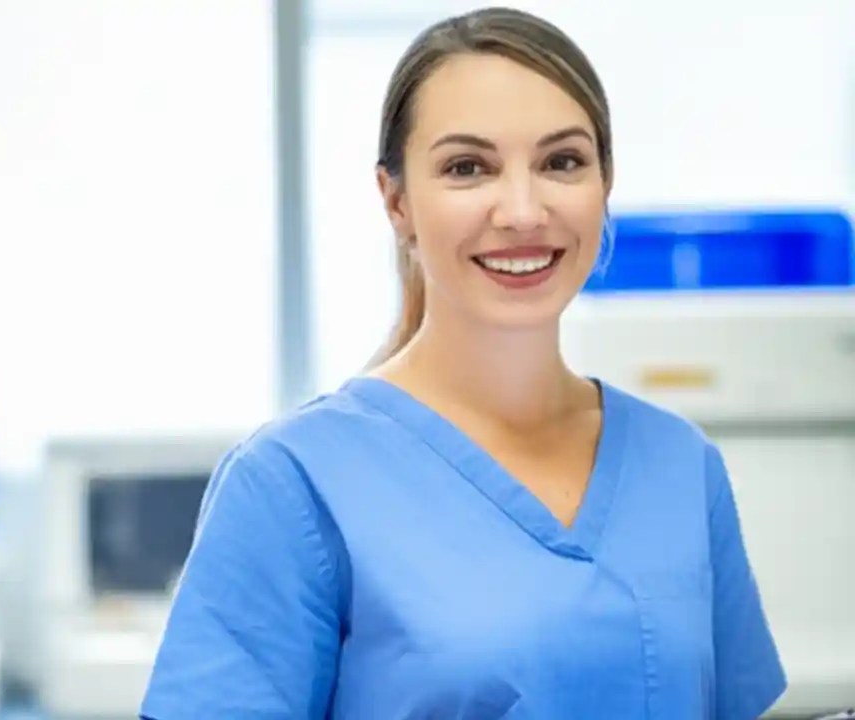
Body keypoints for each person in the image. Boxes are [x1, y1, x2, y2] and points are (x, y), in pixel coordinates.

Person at [140, 6, 786, 719]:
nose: (521, 210)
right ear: (396, 201)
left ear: (605, 185)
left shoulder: (679, 466)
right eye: (467, 167)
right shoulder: (291, 484)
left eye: (561, 162)